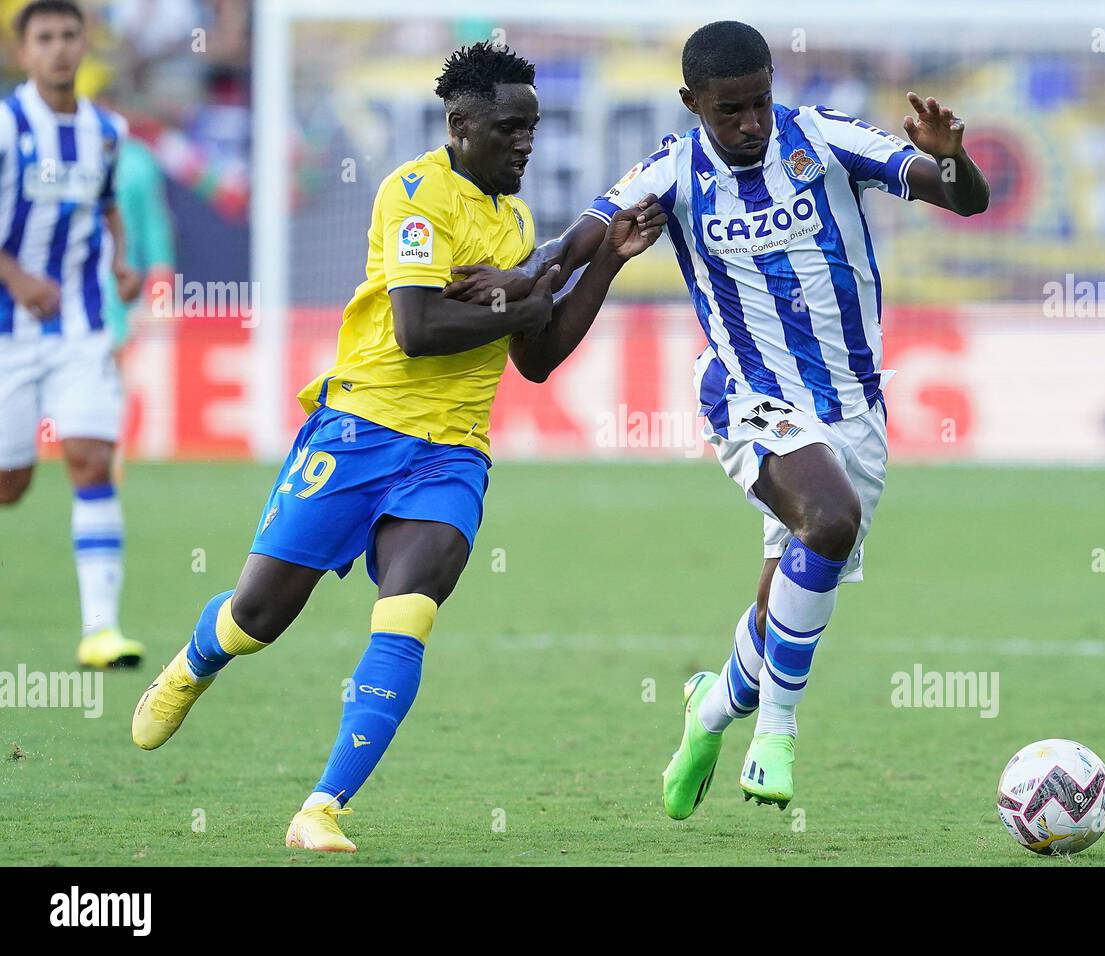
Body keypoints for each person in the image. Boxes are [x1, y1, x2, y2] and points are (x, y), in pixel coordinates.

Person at [128, 41, 666, 853]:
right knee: (260, 615)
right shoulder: (415, 195)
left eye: (534, 128)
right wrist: (516, 300)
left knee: (409, 613)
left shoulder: (516, 221)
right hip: (359, 430)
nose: (527, 143)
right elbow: (417, 332)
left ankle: (322, 807)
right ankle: (198, 659)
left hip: (450, 452)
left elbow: (539, 356)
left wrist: (604, 267)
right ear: (461, 123)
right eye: (511, 128)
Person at [443, 20, 989, 817]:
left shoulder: (823, 139)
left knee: (789, 599)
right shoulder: (672, 169)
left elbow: (962, 200)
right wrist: (521, 275)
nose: (750, 124)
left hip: (851, 409)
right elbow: (580, 238)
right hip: (746, 394)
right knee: (829, 521)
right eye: (729, 110)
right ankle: (777, 732)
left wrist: (952, 156)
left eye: (760, 103)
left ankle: (708, 711)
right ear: (691, 102)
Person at [0, 0, 143, 668]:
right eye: (44, 39)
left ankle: (100, 631)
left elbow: (110, 206)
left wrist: (120, 260)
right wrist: (18, 280)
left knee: (89, 457)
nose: (58, 49)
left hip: (81, 326)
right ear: (21, 52)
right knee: (12, 482)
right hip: (9, 332)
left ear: (85, 45)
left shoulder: (107, 131)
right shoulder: (5, 125)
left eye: (67, 37)